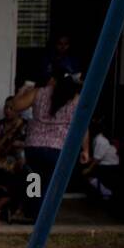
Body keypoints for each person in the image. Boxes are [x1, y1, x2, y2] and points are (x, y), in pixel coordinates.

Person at [10, 68, 90, 217]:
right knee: (50, 183)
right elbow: (83, 126)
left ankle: (32, 213)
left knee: (34, 179)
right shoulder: (77, 98)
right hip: (59, 149)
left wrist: (23, 90)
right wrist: (85, 150)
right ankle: (44, 216)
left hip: (34, 147)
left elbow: (15, 106)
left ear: (53, 79)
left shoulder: (38, 92)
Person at [82, 115, 119, 201]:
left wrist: (89, 169)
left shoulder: (100, 140)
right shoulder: (97, 138)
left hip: (109, 166)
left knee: (88, 175)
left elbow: (98, 159)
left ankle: (106, 192)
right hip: (104, 163)